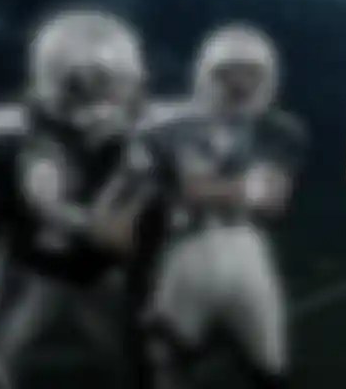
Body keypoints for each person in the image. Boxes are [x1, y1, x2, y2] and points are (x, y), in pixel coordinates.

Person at [0, 8, 153, 389]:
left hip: (106, 277)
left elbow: (132, 240)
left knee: (134, 371)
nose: (128, 96)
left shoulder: (149, 139)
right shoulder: (0, 133)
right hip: (21, 270)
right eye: (107, 82)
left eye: (122, 81)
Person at [131, 24, 305, 389]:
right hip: (182, 247)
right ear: (206, 75)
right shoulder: (167, 123)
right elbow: (181, 191)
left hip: (245, 247)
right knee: (165, 357)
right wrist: (239, 189)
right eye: (229, 73)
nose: (240, 85)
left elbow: (271, 201)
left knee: (268, 365)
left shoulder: (278, 129)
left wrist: (207, 188)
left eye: (251, 74)